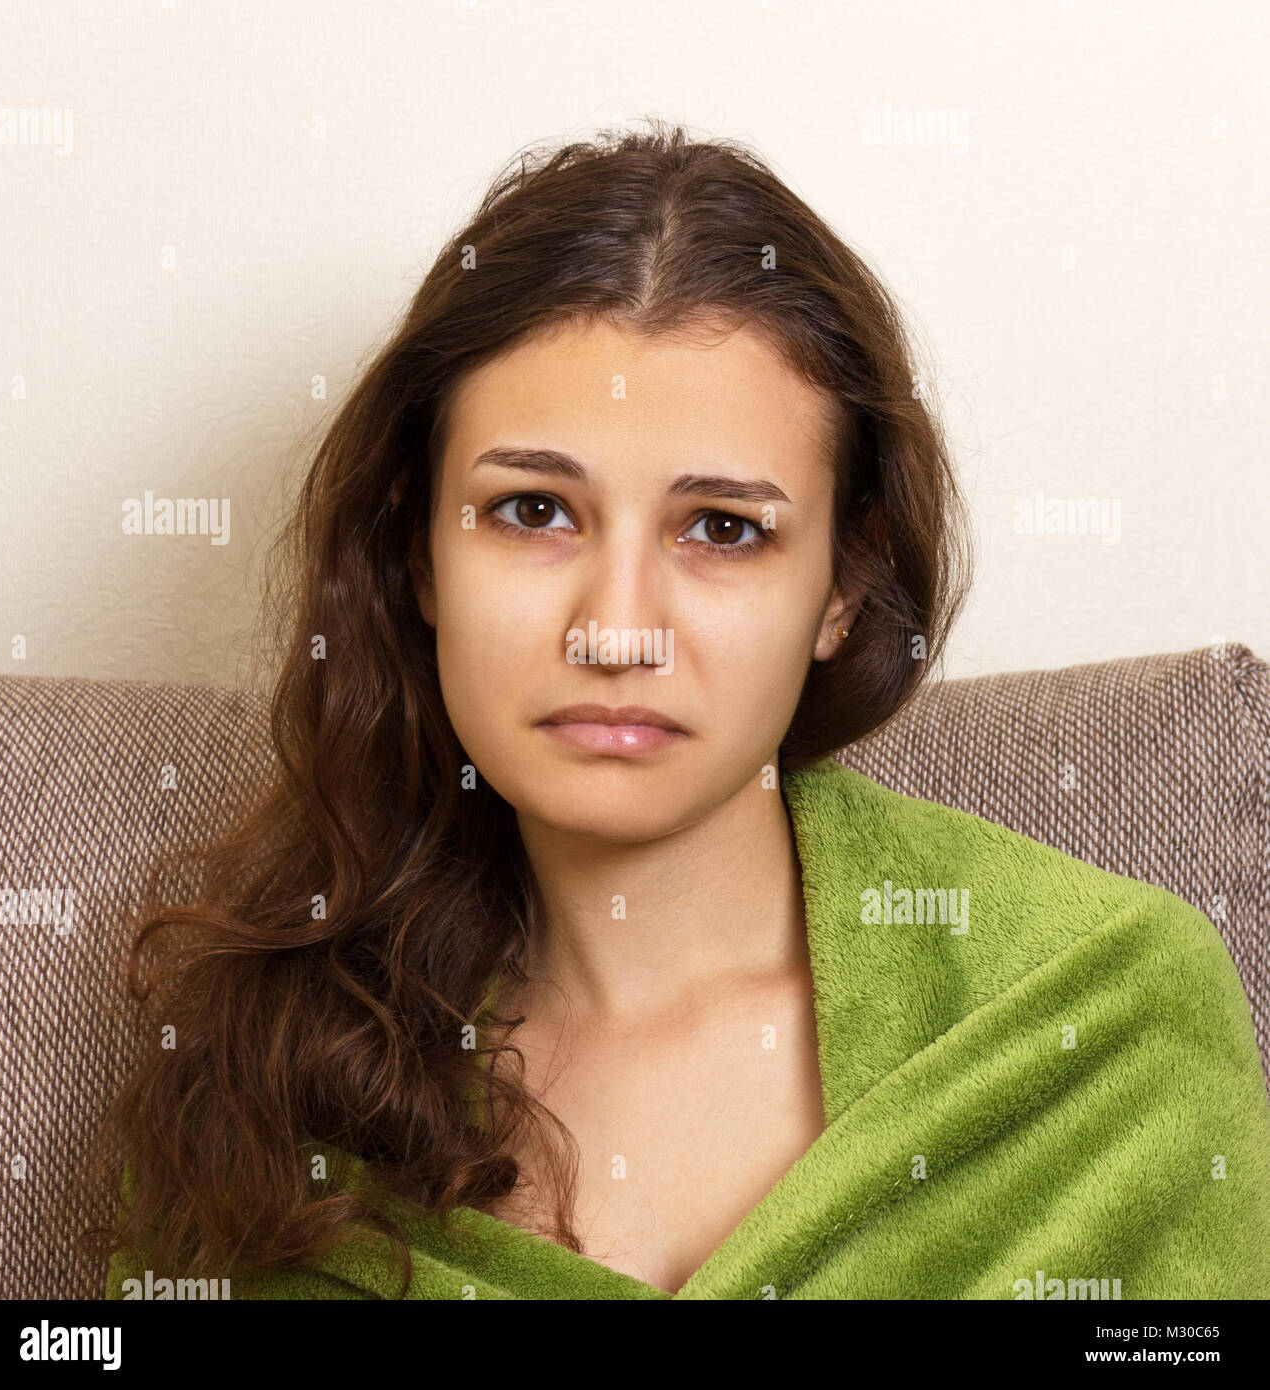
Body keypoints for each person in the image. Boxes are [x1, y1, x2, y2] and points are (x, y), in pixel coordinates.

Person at [89, 120, 1270, 1300]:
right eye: (534, 511)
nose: (616, 632)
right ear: (417, 556)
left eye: (722, 529)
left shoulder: (1101, 1016)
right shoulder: (261, 1074)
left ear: (842, 590)